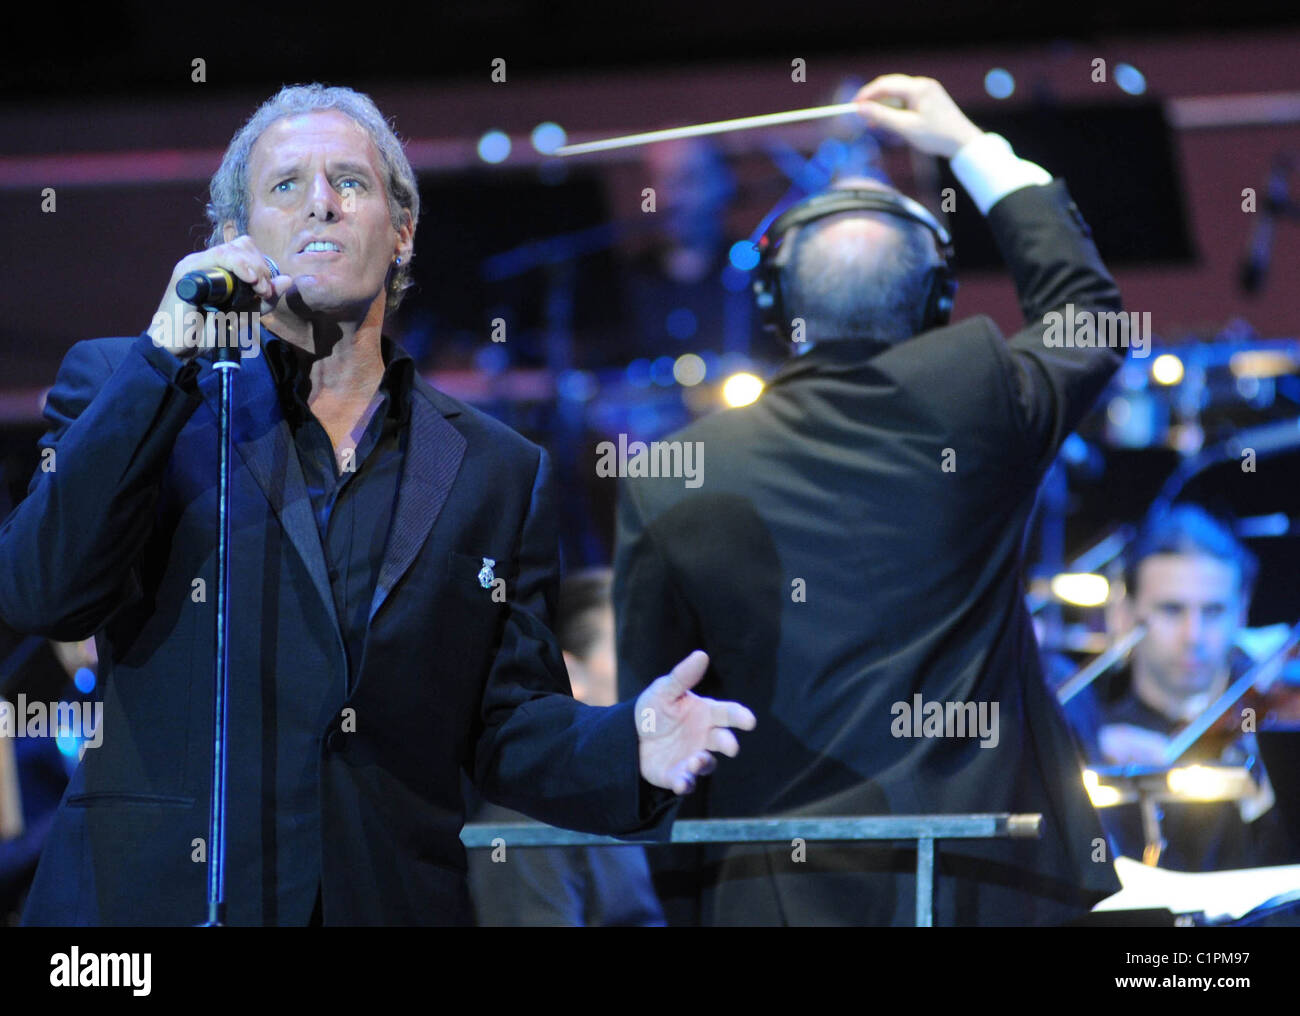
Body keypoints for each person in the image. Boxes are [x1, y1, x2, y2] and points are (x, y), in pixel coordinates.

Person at [0, 83, 755, 926]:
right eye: (285, 185)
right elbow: (43, 590)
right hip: (148, 911)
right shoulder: (130, 387)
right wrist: (166, 354)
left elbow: (506, 721)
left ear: (402, 232)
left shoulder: (496, 469)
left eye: (350, 183)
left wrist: (628, 750)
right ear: (232, 236)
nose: (319, 202)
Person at [614, 74, 1125, 926]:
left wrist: (694, 897)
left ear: (775, 305)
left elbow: (658, 714)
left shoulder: (674, 469)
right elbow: (1090, 318)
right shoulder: (983, 397)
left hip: (775, 895)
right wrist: (968, 145)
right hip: (997, 883)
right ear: (935, 301)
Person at [1065, 504, 1293, 870]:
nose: (1194, 636)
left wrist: (1270, 793)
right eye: (1172, 610)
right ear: (1125, 613)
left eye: (1214, 611)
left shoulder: (1270, 733)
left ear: (1242, 611)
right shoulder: (1093, 741)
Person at [468, 569, 665, 925]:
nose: (656, 672)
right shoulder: (525, 820)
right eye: (631, 651)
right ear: (574, 674)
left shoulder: (655, 793)